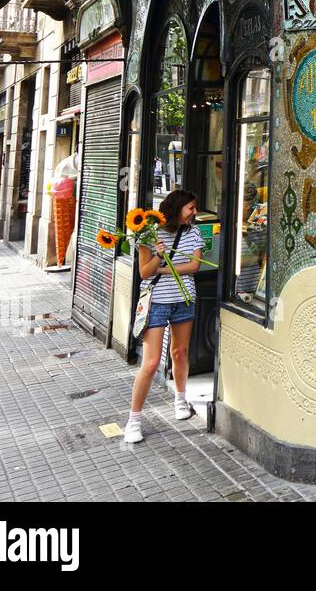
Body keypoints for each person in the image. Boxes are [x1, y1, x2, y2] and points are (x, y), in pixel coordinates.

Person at [124, 189, 206, 444]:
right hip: (156, 301)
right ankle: (134, 419)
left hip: (184, 299)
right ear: (177, 208)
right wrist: (159, 256)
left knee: (180, 353)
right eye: (190, 208)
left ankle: (181, 399)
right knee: (150, 363)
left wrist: (166, 269)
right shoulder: (149, 233)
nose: (194, 212)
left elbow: (195, 265)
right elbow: (145, 273)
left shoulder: (194, 232)